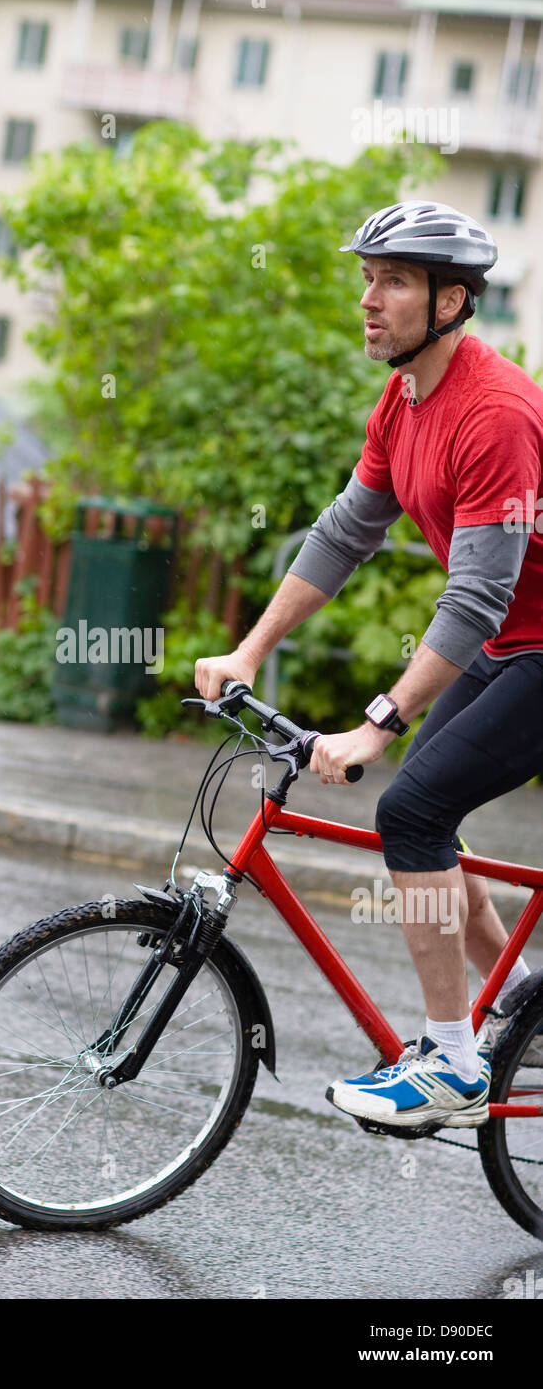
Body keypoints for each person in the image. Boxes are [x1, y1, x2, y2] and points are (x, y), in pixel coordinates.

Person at [194, 200, 543, 1130]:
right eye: (367, 277)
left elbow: (474, 598)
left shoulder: (497, 413)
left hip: (536, 646)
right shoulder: (404, 398)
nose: (369, 298)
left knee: (411, 808)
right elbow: (346, 533)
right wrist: (250, 649)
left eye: (392, 280)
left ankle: (454, 1064)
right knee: (438, 814)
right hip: (516, 645)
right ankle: (522, 1023)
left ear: (452, 300)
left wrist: (376, 724)